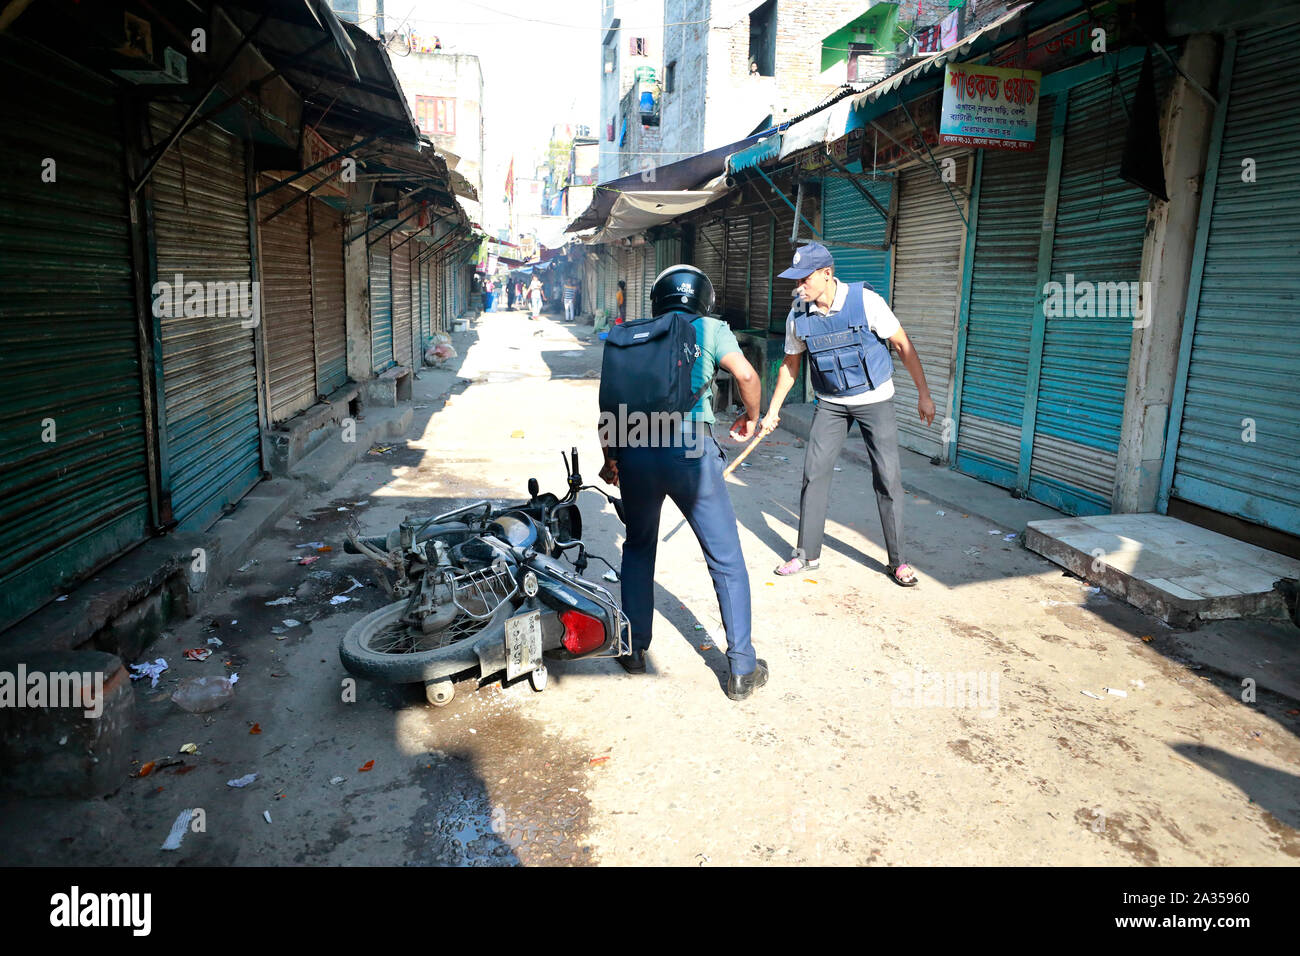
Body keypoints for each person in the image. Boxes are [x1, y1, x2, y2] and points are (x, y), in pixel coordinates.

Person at [598, 265, 768, 701]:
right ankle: (742, 668)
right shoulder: (711, 328)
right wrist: (752, 416)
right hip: (688, 448)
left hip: (634, 444)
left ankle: (634, 648)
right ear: (704, 299)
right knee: (725, 557)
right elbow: (746, 376)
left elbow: (608, 401)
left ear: (659, 298)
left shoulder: (631, 335)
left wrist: (611, 458)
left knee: (637, 547)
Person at [761, 242, 936, 588]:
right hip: (830, 402)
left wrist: (924, 394)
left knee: (887, 478)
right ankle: (806, 554)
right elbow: (791, 364)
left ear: (827, 274)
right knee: (814, 472)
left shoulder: (867, 302)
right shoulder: (798, 313)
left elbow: (903, 345)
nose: (799, 287)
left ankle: (898, 562)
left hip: (875, 398)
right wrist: (773, 411)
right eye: (796, 281)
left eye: (805, 279)